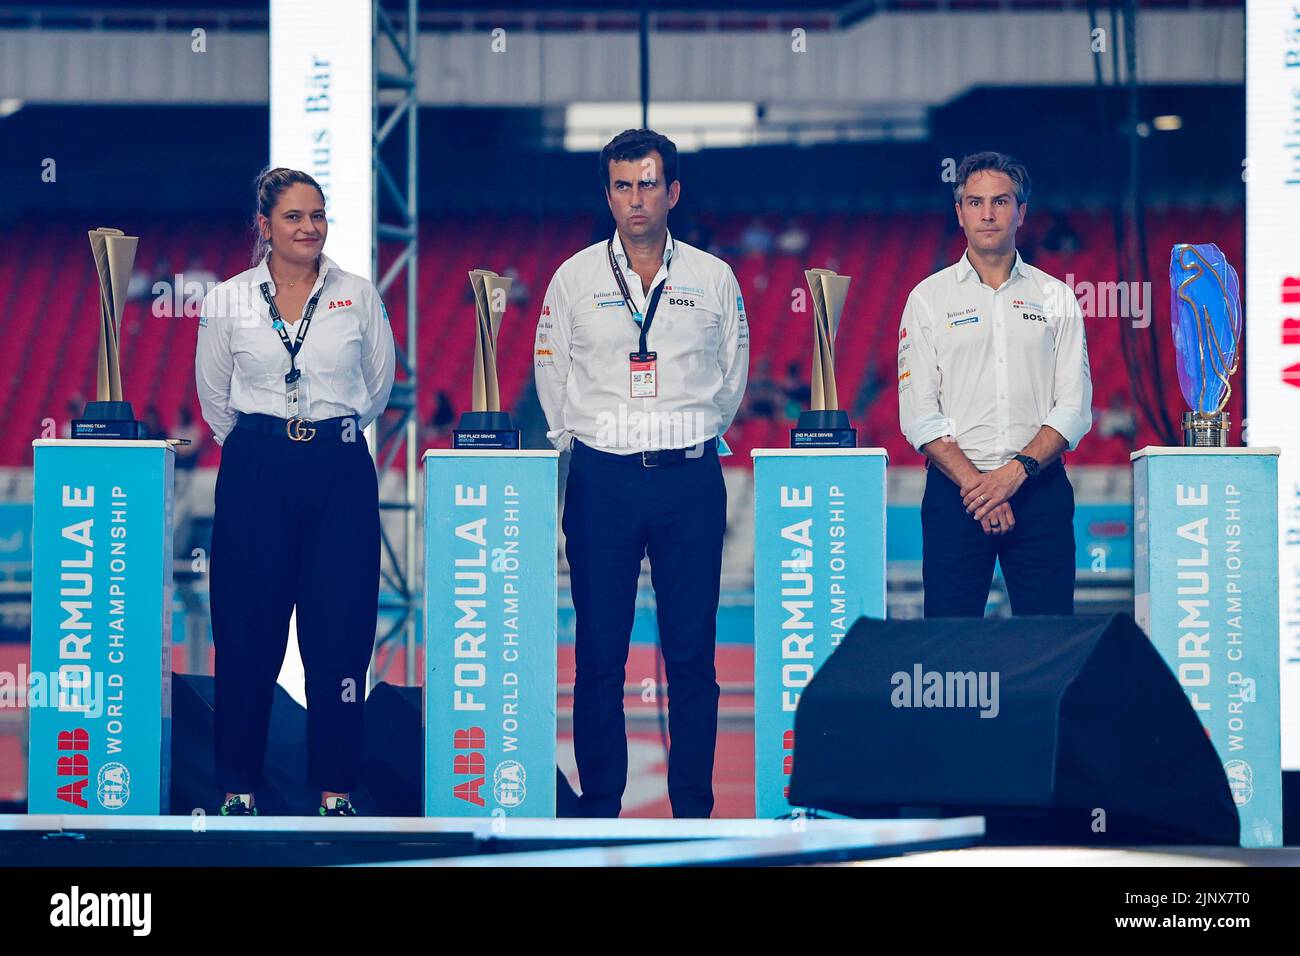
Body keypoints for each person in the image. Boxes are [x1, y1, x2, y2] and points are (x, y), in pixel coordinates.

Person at [534, 129, 749, 818]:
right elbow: (551, 371)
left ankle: (694, 807)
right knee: (600, 652)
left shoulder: (714, 276)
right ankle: (600, 803)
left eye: (648, 183)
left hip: (689, 478)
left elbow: (730, 378)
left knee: (692, 654)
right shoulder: (573, 277)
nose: (636, 198)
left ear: (673, 191)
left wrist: (684, 429)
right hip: (603, 479)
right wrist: (589, 440)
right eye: (623, 185)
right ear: (608, 195)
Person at [195, 166, 396, 816]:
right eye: (293, 217)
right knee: (247, 635)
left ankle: (337, 790)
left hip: (338, 473)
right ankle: (237, 789)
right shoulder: (227, 300)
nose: (309, 227)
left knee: (340, 636)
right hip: (255, 469)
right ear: (264, 226)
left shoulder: (358, 294)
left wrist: (319, 441)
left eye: (318, 215)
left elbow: (377, 388)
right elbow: (215, 401)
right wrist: (270, 445)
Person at [897, 151, 1092, 618]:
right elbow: (919, 416)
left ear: (1021, 212)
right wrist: (980, 489)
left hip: (1039, 490)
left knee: (1048, 646)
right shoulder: (927, 299)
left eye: (1001, 201)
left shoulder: (1056, 297)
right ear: (959, 212)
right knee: (948, 649)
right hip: (955, 495)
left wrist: (1013, 475)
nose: (988, 213)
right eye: (975, 201)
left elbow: (1074, 408)